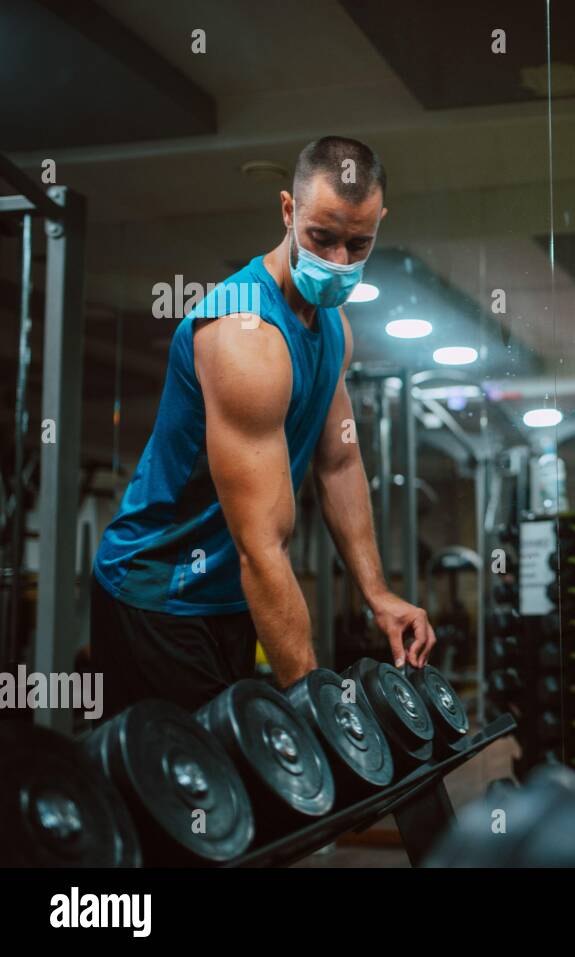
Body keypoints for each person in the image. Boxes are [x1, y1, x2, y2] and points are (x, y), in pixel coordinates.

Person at [92, 136, 435, 717]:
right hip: (157, 592)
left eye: (359, 244)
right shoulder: (241, 336)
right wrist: (312, 696)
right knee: (196, 794)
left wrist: (377, 594)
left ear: (380, 223)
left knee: (245, 783)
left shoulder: (334, 329)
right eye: (322, 238)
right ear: (287, 210)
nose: (339, 262)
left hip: (230, 600)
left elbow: (340, 461)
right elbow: (261, 545)